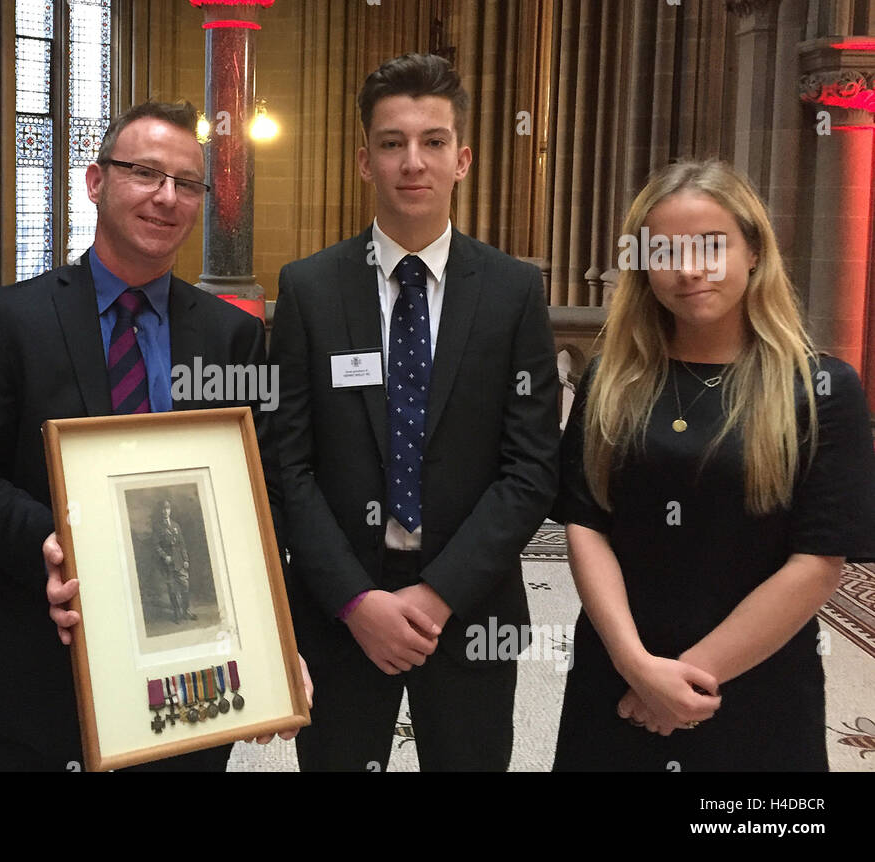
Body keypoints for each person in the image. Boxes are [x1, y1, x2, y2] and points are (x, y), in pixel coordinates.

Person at [0, 101, 305, 772]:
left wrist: (263, 634)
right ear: (96, 181)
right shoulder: (13, 318)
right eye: (144, 172)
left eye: (187, 183)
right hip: (43, 660)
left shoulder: (229, 337)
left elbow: (266, 488)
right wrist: (50, 545)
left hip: (189, 675)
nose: (166, 197)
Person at [267, 53, 561, 771]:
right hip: (340, 613)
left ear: (463, 158)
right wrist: (356, 600)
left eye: (433, 141)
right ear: (364, 160)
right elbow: (286, 464)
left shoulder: (513, 291)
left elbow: (530, 470)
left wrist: (434, 597)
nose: (413, 161)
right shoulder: (307, 289)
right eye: (393, 142)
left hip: (470, 610)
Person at [552, 159, 875, 771]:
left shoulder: (823, 389)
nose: (689, 268)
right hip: (617, 670)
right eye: (665, 250)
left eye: (711, 245)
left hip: (756, 683)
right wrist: (635, 666)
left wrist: (687, 682)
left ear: (754, 250)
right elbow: (586, 521)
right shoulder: (613, 379)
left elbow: (818, 562)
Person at [153, 499, 195, 623]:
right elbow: (156, 546)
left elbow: (182, 544)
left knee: (185, 587)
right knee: (172, 589)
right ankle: (177, 613)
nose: (166, 511)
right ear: (160, 511)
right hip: (168, 564)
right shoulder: (157, 527)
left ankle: (186, 611)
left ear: (170, 510)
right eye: (163, 509)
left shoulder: (176, 525)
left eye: (167, 508)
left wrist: (186, 559)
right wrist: (164, 556)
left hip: (179, 562)